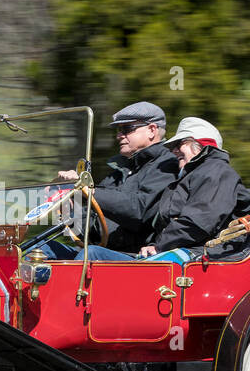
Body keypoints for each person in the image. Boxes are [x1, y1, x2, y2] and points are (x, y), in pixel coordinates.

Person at [38, 101, 180, 257]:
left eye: (127, 129)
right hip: (102, 250)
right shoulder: (121, 169)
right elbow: (88, 229)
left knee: (90, 254)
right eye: (119, 130)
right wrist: (68, 201)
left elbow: (139, 210)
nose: (119, 136)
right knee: (41, 248)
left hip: (136, 256)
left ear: (152, 130)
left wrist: (87, 189)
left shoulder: (166, 165)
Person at [139, 117, 247, 261]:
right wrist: (155, 245)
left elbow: (199, 222)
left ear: (200, 145)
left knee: (131, 275)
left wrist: (159, 247)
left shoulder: (216, 171)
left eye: (179, 144)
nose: (174, 151)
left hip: (205, 254)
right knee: (98, 255)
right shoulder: (192, 176)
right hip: (179, 248)